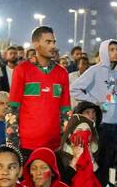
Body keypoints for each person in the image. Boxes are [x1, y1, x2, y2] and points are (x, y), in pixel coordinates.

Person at [6, 25, 70, 156]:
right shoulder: (22, 70)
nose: (53, 46)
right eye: (48, 42)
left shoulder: (62, 73)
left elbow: (65, 111)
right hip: (27, 146)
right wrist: (12, 146)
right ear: (36, 44)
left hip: (55, 146)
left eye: (54, 42)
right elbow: (12, 110)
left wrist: (66, 142)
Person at [71, 39, 117, 178]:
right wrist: (94, 103)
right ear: (103, 52)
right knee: (98, 165)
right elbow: (74, 89)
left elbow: (112, 97)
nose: (116, 52)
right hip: (100, 126)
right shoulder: (95, 70)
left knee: (110, 166)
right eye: (111, 49)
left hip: (115, 126)